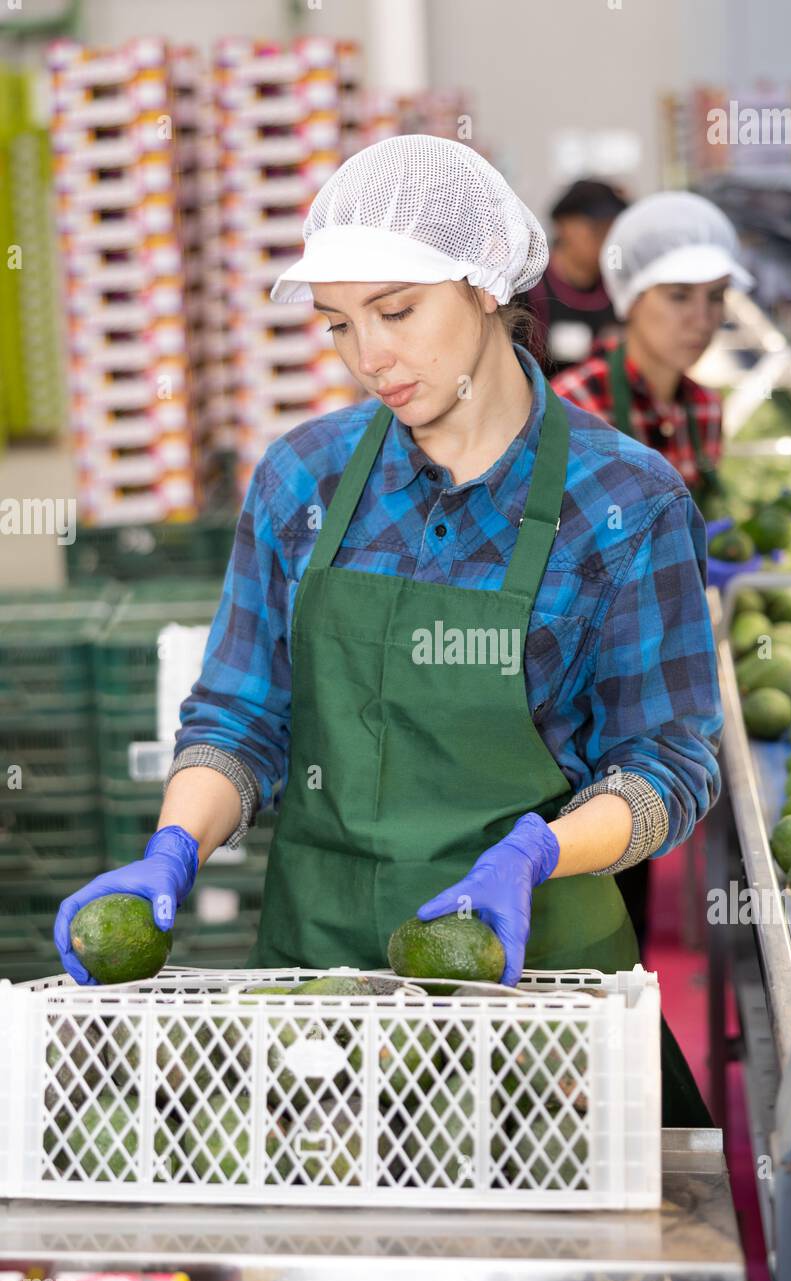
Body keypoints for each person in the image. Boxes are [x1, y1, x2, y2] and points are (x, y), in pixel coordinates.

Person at [54, 136, 722, 1127]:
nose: (369, 358)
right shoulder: (305, 479)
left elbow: (668, 761)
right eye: (336, 325)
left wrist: (536, 852)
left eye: (396, 312)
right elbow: (241, 713)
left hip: (534, 1004)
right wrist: (173, 844)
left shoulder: (622, 498)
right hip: (315, 1003)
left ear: (485, 287)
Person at [550, 191, 755, 948]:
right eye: (678, 297)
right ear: (630, 298)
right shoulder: (575, 405)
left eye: (716, 299)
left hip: (658, 672)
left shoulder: (705, 409)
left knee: (633, 844)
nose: (700, 319)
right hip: (580, 679)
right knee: (575, 861)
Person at [517, 178, 627, 377]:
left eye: (614, 227)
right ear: (562, 226)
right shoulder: (528, 287)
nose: (608, 237)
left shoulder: (620, 287)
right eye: (597, 227)